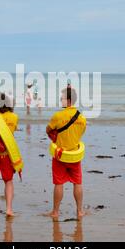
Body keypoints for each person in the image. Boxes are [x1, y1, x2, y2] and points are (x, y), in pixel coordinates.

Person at [46, 87, 87, 219]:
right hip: (75, 156)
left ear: (68, 100)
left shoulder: (58, 116)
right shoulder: (82, 118)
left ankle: (56, 212)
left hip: (60, 156)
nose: (60, 100)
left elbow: (48, 129)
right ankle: (80, 211)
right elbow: (80, 134)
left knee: (59, 184)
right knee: (77, 183)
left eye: (62, 98)